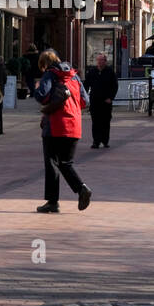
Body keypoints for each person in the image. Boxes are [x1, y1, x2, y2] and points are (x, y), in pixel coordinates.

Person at [34, 50, 92, 213]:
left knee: (52, 162)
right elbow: (85, 101)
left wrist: (39, 87)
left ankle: (55, 200)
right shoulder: (74, 76)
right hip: (74, 124)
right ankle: (80, 189)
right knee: (66, 163)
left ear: (45, 64)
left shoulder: (50, 75)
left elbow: (41, 96)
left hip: (55, 125)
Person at [86, 53, 119, 149]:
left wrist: (111, 97)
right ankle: (96, 141)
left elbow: (115, 86)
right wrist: (84, 97)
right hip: (95, 101)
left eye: (101, 60)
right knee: (95, 121)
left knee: (105, 121)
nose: (99, 62)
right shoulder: (92, 72)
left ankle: (105, 141)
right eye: (98, 60)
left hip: (106, 101)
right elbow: (86, 84)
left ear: (105, 61)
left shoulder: (110, 72)